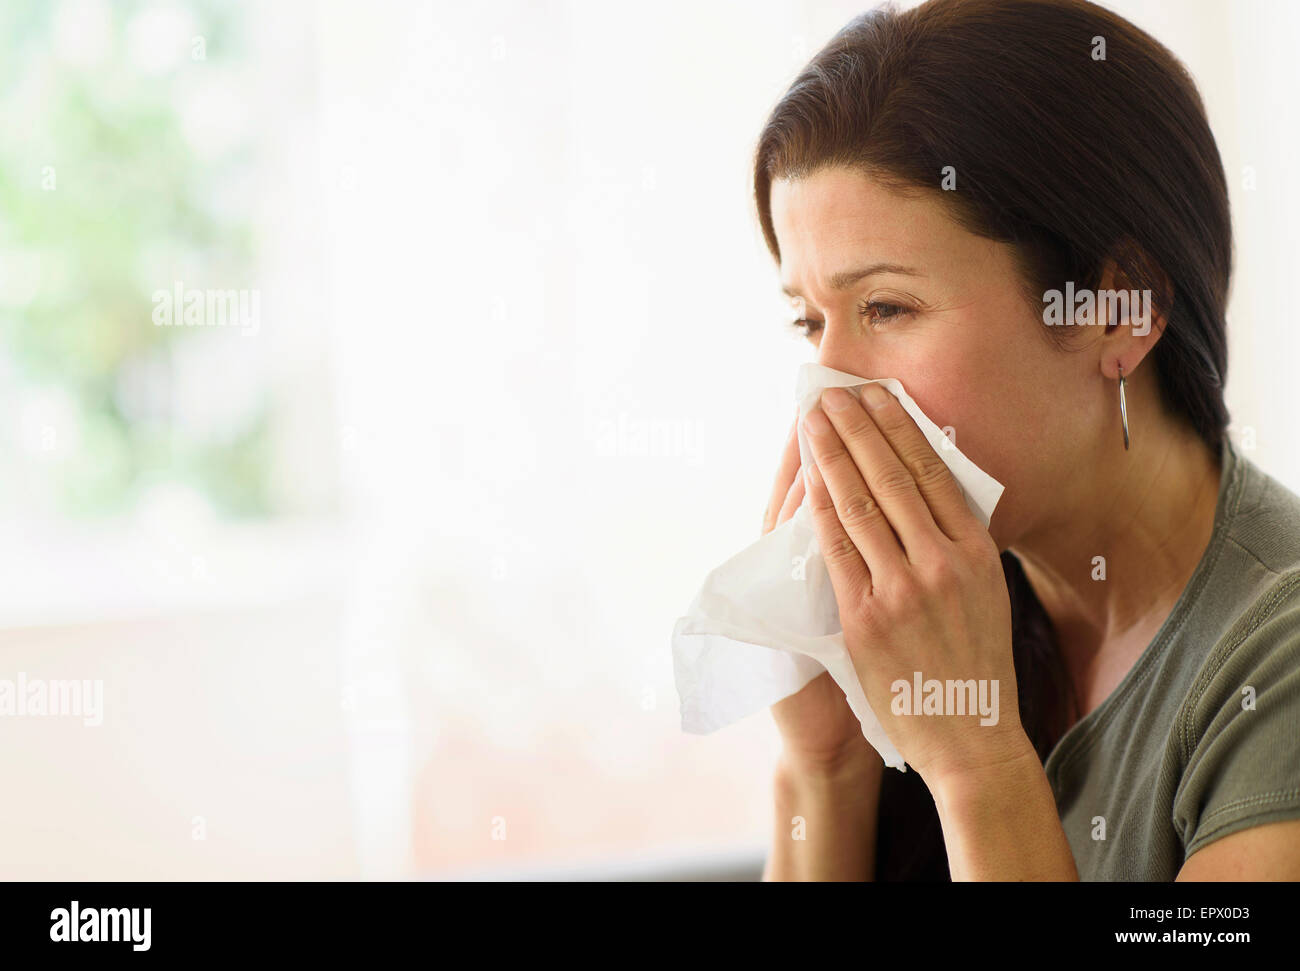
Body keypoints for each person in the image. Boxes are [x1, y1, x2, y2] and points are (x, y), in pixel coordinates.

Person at [756, 0, 1300, 881]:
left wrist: (977, 761)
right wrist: (826, 767)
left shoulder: (1277, 670)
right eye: (809, 321)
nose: (827, 391)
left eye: (886, 307)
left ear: (1118, 310)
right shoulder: (938, 606)